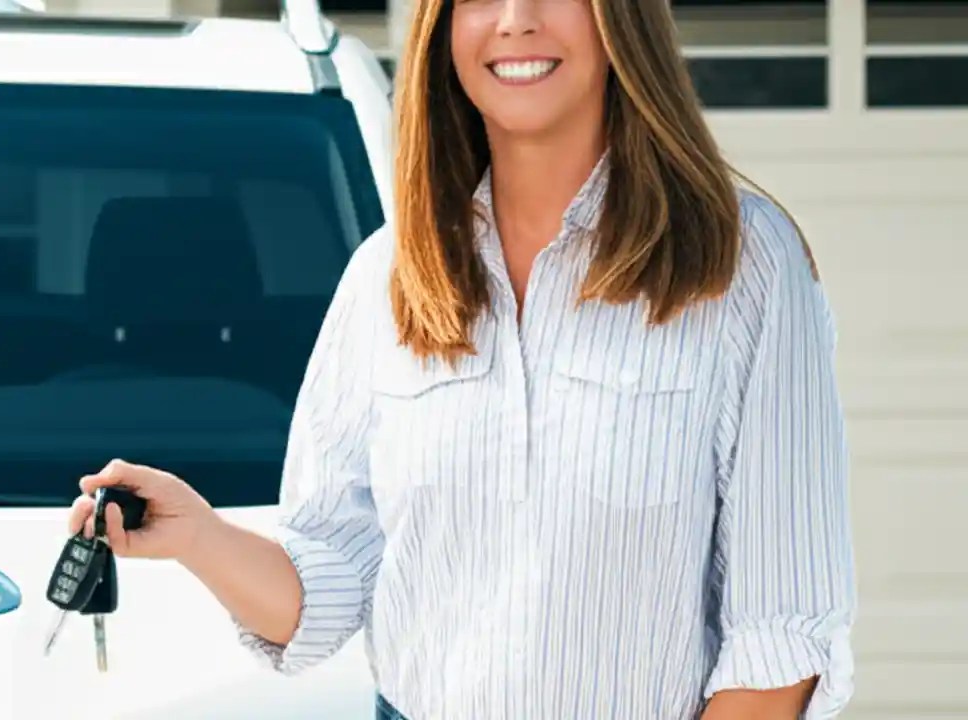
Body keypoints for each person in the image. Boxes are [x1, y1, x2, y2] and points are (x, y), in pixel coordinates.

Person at [68, 0, 857, 717]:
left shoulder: (742, 263)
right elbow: (326, 585)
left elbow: (779, 635)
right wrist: (198, 535)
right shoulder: (388, 276)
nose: (515, 20)